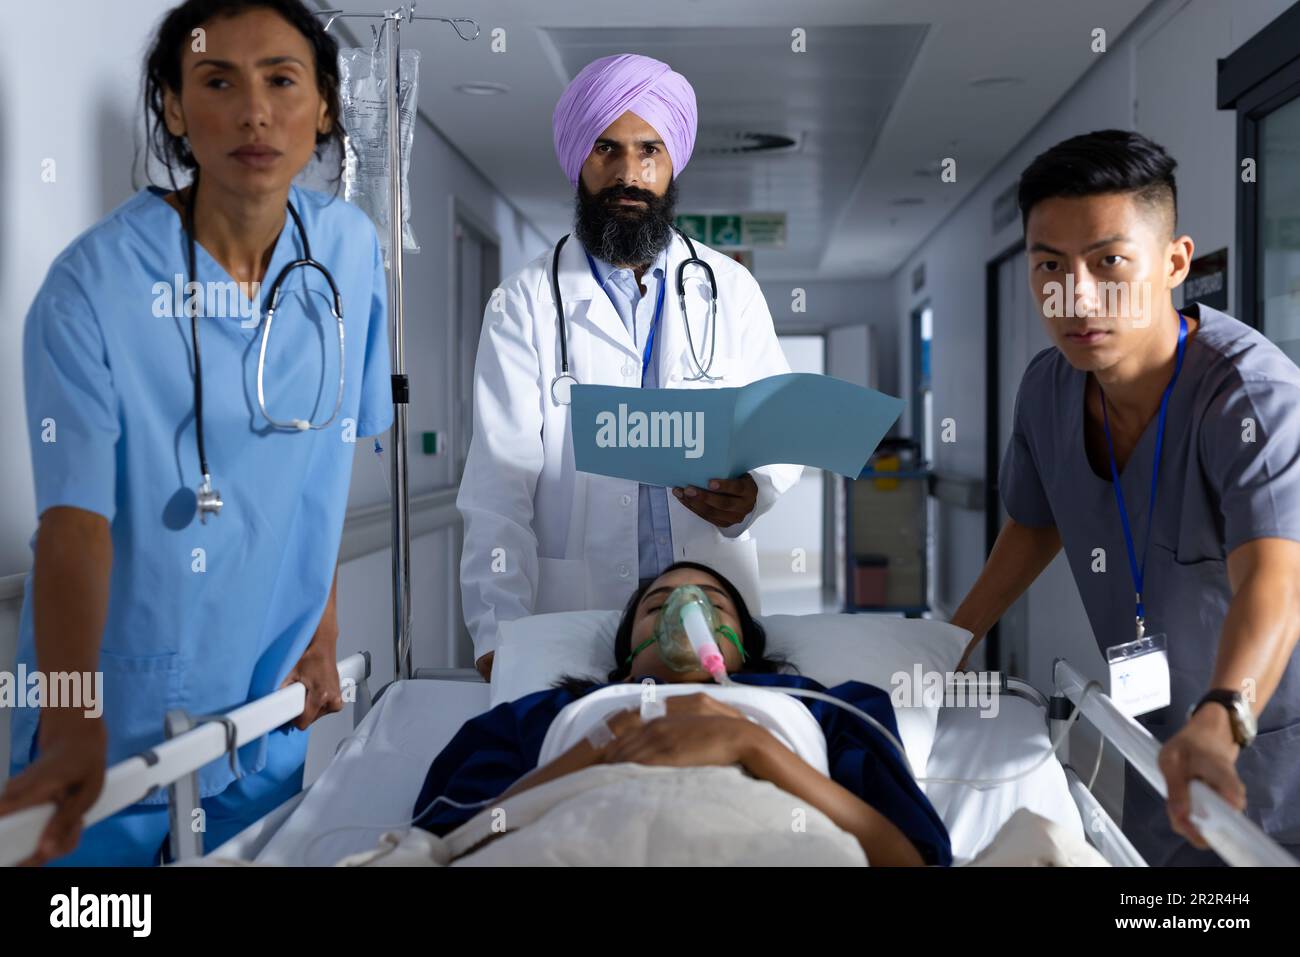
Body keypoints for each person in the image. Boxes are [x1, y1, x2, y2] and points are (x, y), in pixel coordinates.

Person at [0, 0, 393, 865]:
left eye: (282, 81)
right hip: (113, 727)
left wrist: (322, 633)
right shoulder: (92, 289)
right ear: (176, 109)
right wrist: (71, 724)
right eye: (218, 81)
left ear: (323, 106)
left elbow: (323, 474)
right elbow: (71, 527)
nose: (254, 112)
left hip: (264, 711)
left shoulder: (350, 256)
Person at [951, 129, 1300, 865]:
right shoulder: (1049, 388)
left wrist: (1226, 713)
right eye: (1049, 265)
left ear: (1174, 263)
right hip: (1161, 742)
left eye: (1109, 261)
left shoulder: (1250, 398)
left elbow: (1276, 575)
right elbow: (1036, 517)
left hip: (1269, 749)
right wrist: (958, 636)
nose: (1076, 296)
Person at [457, 54, 802, 682]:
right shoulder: (524, 303)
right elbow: (498, 482)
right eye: (605, 149)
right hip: (575, 607)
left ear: (673, 165)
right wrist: (495, 627)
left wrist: (756, 490)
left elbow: (777, 429)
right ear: (576, 161)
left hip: (711, 599)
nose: (628, 174)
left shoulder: (731, 288)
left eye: (650, 152)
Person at [413, 561, 952, 866]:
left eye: (713, 603)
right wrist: (594, 747)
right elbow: (448, 845)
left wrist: (751, 745)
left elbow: (904, 859)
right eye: (657, 604)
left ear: (743, 649)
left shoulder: (825, 706)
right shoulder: (545, 712)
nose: (684, 608)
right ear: (625, 653)